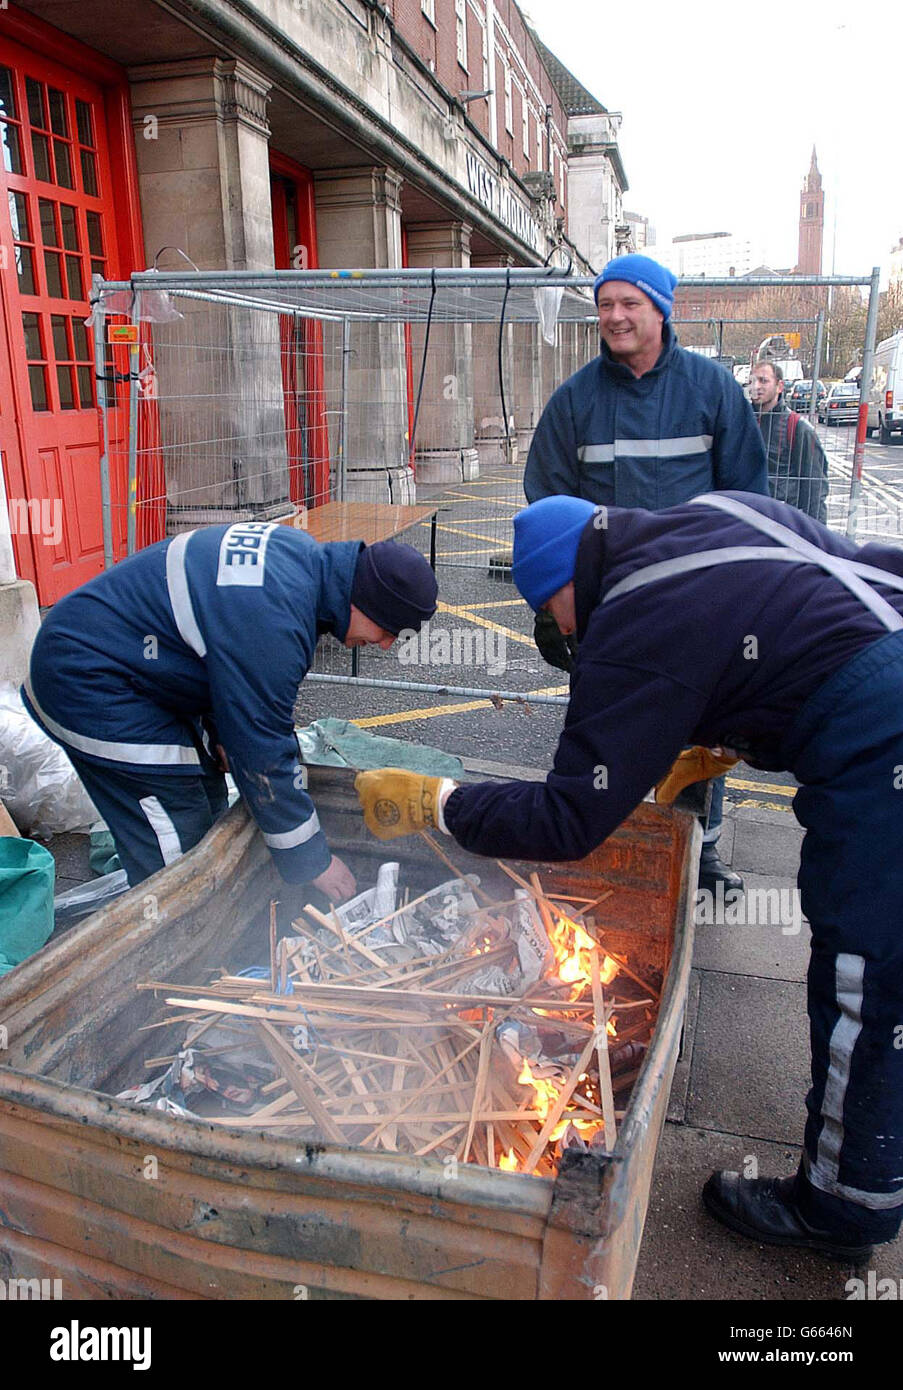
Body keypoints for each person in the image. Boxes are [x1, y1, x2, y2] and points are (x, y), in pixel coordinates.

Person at [356, 490, 903, 1260]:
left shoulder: (630, 616)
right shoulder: (708, 513)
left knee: (865, 969)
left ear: (566, 579)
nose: (564, 632)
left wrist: (439, 802)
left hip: (882, 729)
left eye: (555, 614)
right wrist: (741, 728)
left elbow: (568, 821)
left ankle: (844, 1208)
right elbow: (790, 610)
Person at [523, 252, 769, 895]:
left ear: (662, 310)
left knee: (704, 735)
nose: (615, 316)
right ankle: (615, 843)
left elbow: (749, 494)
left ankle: (700, 855)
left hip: (700, 604)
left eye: (630, 304)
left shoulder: (710, 390)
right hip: (611, 611)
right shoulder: (577, 399)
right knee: (609, 728)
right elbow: (546, 503)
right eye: (606, 304)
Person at [23, 522, 437, 900]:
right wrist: (314, 862)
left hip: (129, 663)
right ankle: (170, 953)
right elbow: (262, 749)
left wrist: (222, 733)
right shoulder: (277, 621)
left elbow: (224, 651)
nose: (385, 644)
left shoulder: (302, 562)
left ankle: (206, 911)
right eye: (388, 630)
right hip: (84, 676)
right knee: (174, 825)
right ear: (364, 602)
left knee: (205, 788)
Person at [749, 360, 829, 523]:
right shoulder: (741, 422)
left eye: (763, 381)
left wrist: (815, 537)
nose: (756, 386)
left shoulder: (798, 428)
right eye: (752, 381)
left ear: (780, 386)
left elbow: (814, 488)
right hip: (746, 522)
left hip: (782, 523)